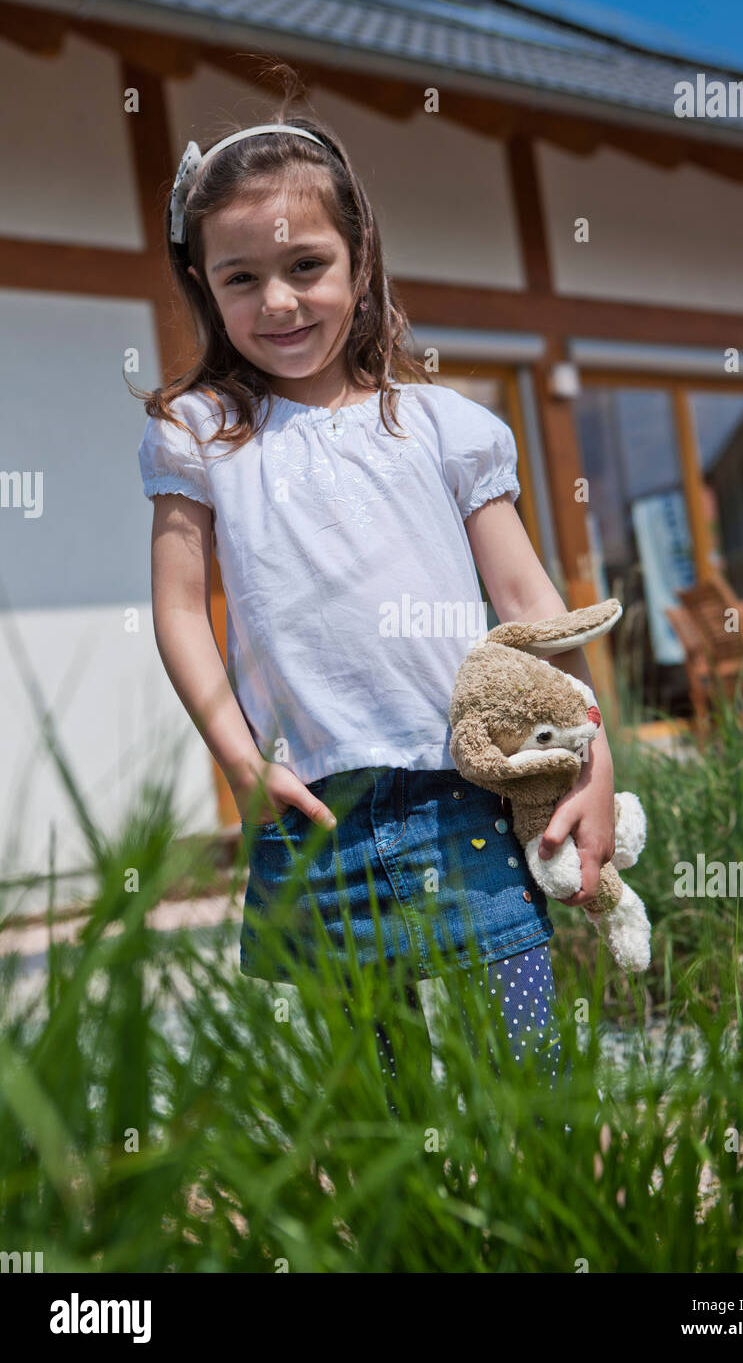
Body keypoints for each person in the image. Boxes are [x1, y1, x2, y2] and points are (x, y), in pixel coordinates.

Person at [135, 97, 617, 1114]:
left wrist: (590, 752)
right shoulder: (202, 434)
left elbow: (530, 605)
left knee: (524, 1070)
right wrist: (237, 755)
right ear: (204, 288)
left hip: (466, 790)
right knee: (376, 1105)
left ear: (359, 259)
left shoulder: (445, 426)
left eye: (304, 265)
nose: (277, 300)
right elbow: (180, 610)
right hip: (311, 807)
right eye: (240, 278)